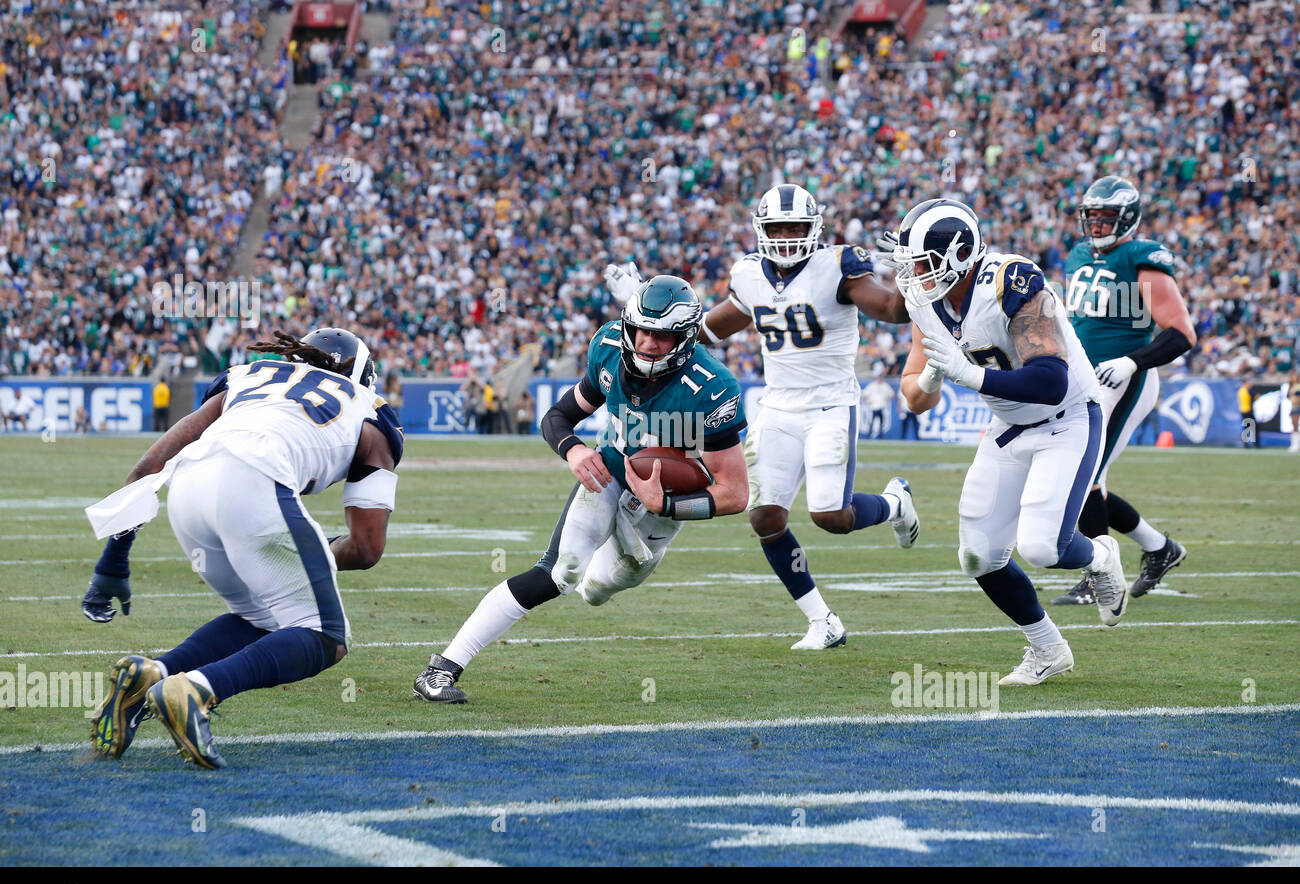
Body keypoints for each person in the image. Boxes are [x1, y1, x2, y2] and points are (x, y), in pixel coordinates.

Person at [607, 184, 918, 652]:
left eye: (796, 226)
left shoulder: (838, 266)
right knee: (765, 516)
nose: (788, 236)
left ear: (815, 228)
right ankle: (823, 621)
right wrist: (642, 307)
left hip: (830, 404)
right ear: (761, 230)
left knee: (831, 515)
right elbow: (705, 330)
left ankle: (894, 503)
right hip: (777, 406)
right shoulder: (749, 274)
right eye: (778, 228)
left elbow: (893, 310)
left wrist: (907, 275)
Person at [413, 276, 749, 702]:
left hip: (664, 503)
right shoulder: (609, 347)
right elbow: (558, 416)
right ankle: (442, 668)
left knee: (599, 587)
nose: (647, 342)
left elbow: (735, 493)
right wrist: (572, 451)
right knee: (560, 571)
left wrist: (664, 502)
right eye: (641, 329)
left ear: (684, 337)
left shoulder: (712, 388)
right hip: (610, 469)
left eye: (661, 335)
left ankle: (606, 567)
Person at [82, 329, 403, 768]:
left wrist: (113, 563)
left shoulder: (249, 375)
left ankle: (155, 674)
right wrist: (309, 558)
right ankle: (196, 689)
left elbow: (150, 466)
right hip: (254, 484)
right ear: (364, 376)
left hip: (188, 491)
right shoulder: (371, 412)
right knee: (326, 634)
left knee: (267, 617)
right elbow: (366, 548)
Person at [895, 198, 1129, 687]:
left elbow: (1050, 381)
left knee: (1042, 547)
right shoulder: (926, 300)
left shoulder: (1012, 282)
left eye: (922, 263)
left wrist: (971, 375)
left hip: (1066, 419)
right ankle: (1047, 648)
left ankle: (1101, 557)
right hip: (1007, 427)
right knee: (978, 555)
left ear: (957, 256)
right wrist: (935, 379)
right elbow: (913, 398)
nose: (914, 273)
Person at [1052, 177, 1196, 607]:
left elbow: (1182, 333)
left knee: (1087, 478)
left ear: (1127, 219)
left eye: (1106, 218)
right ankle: (1159, 549)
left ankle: (1099, 574)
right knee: (1085, 479)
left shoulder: (1141, 257)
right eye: (1091, 218)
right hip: (1083, 379)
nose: (1097, 226)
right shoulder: (1078, 255)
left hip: (1125, 379)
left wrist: (1133, 360)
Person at [862, 372, 894, 438]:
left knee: (881, 423)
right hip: (873, 407)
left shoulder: (885, 386)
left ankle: (881, 436)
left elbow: (892, 394)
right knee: (871, 422)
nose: (880, 379)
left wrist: (887, 399)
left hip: (882, 407)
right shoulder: (872, 385)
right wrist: (869, 400)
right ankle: (869, 435)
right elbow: (864, 394)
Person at [1238, 373, 1256, 448]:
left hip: (1243, 410)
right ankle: (1252, 444)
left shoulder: (1240, 390)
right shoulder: (1247, 390)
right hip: (1248, 410)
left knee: (1246, 428)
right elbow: (1255, 397)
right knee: (1251, 428)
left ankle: (1246, 444)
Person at [1288, 370, 1300, 453]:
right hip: (1293, 407)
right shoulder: (1291, 387)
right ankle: (1295, 444)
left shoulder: (1298, 386)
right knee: (1294, 426)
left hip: (1298, 407)